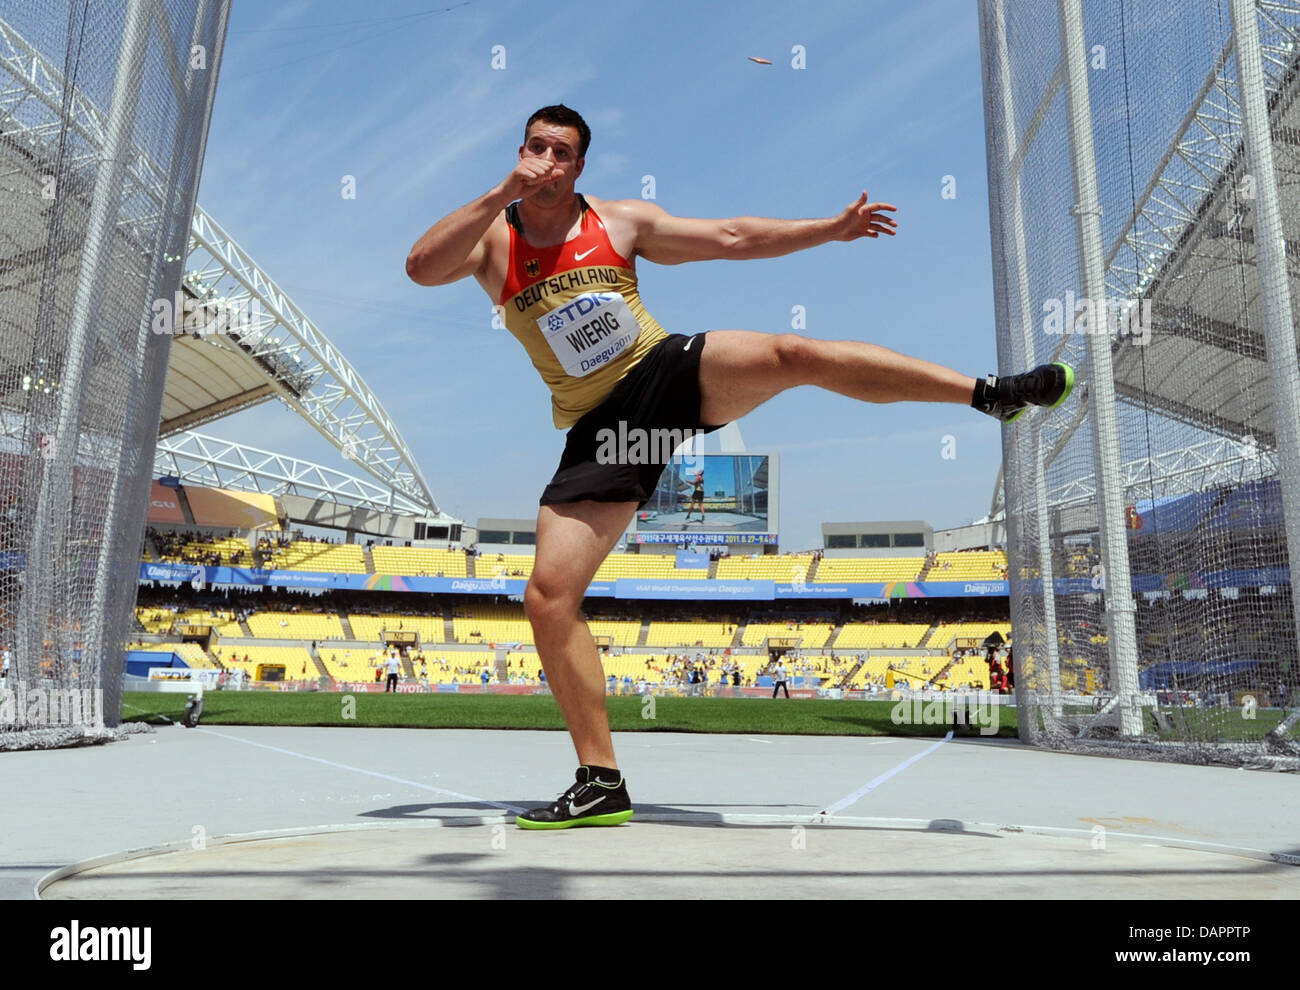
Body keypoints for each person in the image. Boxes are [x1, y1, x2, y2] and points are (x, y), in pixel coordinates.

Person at [406, 104, 1075, 830]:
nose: (547, 160)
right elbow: (420, 267)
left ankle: (990, 393)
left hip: (664, 371)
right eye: (537, 147)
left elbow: (729, 238)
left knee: (794, 354)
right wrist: (498, 191)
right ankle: (601, 780)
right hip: (601, 428)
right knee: (547, 597)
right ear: (521, 152)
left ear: (579, 167)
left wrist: (831, 228)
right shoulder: (492, 242)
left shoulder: (619, 222)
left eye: (562, 152)